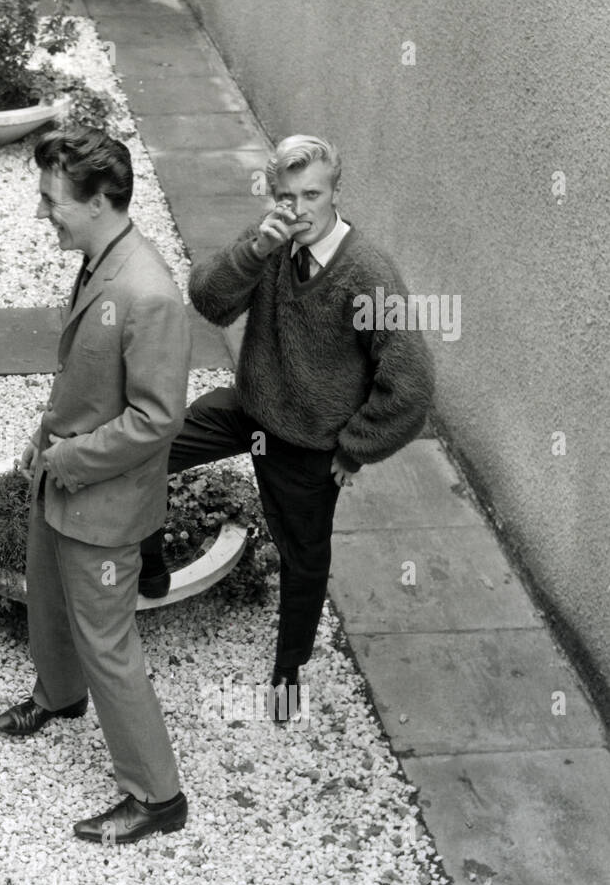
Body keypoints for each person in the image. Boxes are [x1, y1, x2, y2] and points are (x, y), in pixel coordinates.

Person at [138, 134, 435, 721]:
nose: (298, 208)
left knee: (304, 559)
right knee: (148, 450)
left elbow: (411, 384)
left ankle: (286, 676)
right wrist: (254, 249)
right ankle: (150, 569)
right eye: (285, 195)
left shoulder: (369, 273)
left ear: (335, 193)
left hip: (309, 444)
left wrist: (355, 448)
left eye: (311, 195)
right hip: (250, 411)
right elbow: (209, 300)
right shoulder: (272, 240)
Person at [0, 127, 192, 845]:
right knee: (47, 597)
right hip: (66, 478)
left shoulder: (149, 295)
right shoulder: (99, 260)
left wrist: (70, 459)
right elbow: (87, 376)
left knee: (109, 644)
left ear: (102, 201)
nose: (43, 212)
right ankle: (59, 696)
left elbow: (157, 419)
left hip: (101, 500)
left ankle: (157, 796)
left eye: (53, 200)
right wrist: (44, 440)